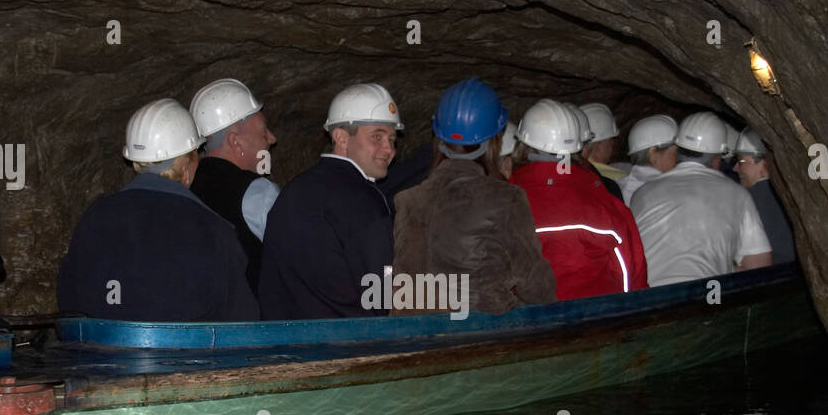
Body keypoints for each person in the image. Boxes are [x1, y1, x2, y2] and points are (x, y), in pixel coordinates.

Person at [57, 99, 259, 322]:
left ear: (135, 161)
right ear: (187, 164)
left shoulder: (94, 218)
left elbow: (70, 302)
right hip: (184, 355)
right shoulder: (214, 231)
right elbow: (239, 321)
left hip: (99, 352)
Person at [392, 79, 556, 315]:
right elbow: (535, 286)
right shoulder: (506, 198)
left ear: (438, 138)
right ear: (493, 141)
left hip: (415, 334)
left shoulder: (408, 200)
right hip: (479, 334)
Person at [258, 83, 401, 319]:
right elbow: (382, 294)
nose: (389, 149)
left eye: (393, 139)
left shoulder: (293, 190)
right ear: (342, 138)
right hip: (348, 342)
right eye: (377, 136)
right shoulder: (364, 199)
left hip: (284, 342)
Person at [509, 99, 648, 300]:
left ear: (522, 145)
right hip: (599, 323)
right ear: (582, 149)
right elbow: (633, 280)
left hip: (527, 325)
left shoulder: (502, 205)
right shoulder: (607, 206)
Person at [630, 111, 771, 286]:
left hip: (648, 301)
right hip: (706, 299)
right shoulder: (737, 194)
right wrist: (721, 266)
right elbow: (759, 269)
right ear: (718, 156)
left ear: (678, 149)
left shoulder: (642, 193)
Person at [187, 78, 280, 292]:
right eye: (263, 131)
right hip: (255, 322)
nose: (272, 139)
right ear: (235, 141)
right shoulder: (259, 192)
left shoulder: (184, 187)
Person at [733, 127, 796, 264]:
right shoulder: (792, 194)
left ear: (765, 164)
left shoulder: (749, 199)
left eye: (742, 162)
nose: (735, 168)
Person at [618, 115, 678, 205]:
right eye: (675, 152)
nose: (679, 159)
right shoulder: (670, 190)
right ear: (653, 153)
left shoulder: (618, 186)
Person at [580, 102, 628, 187]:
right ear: (598, 146)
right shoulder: (622, 180)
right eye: (611, 141)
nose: (613, 145)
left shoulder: (568, 172)